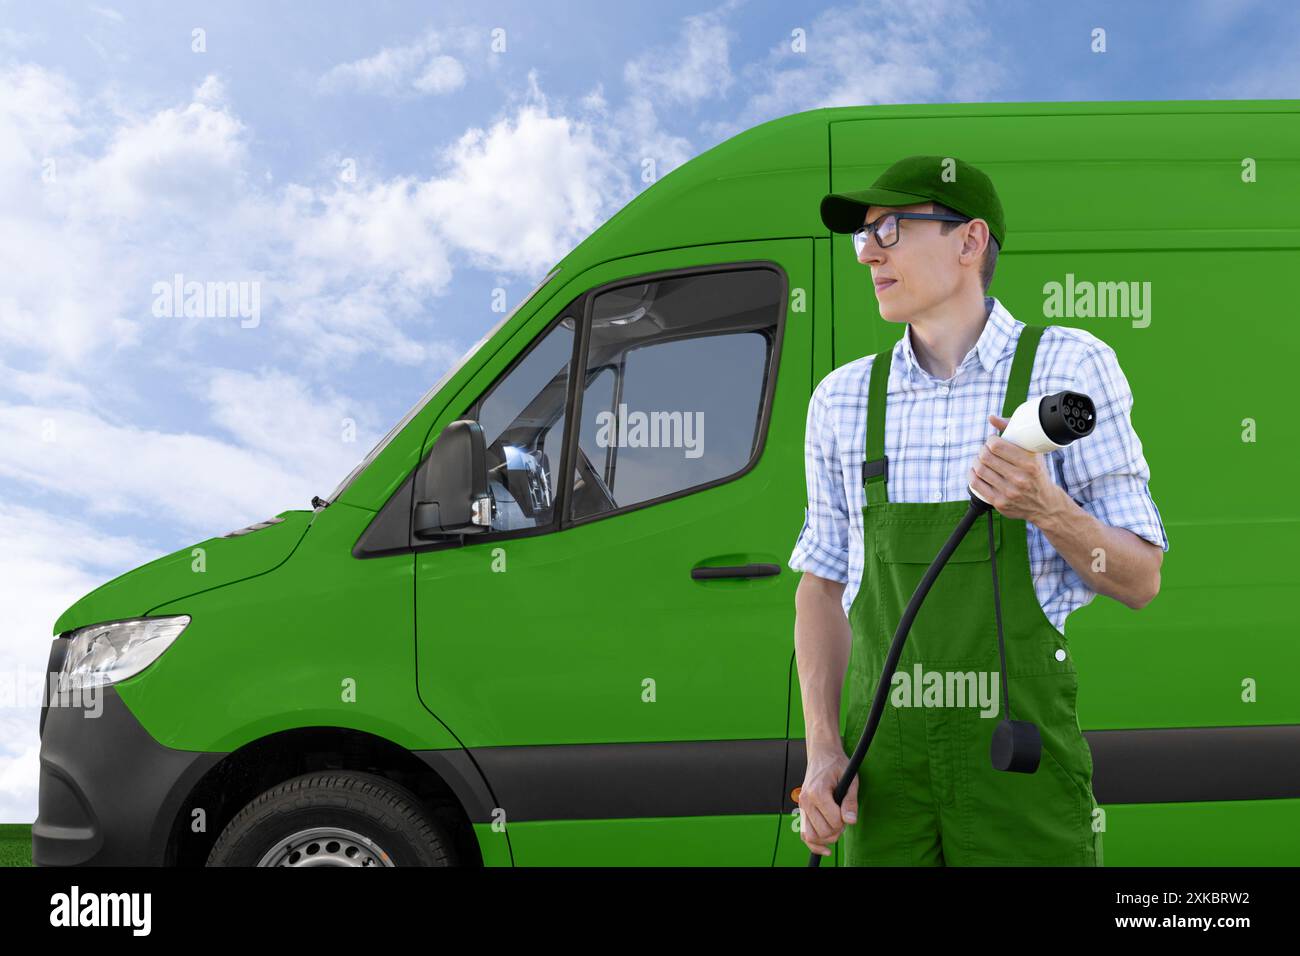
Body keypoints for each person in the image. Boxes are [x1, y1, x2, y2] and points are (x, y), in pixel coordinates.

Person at [789, 154, 1169, 866]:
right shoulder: (842, 401)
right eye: (863, 237)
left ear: (970, 242)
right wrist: (823, 752)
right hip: (884, 774)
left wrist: (1046, 508)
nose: (868, 252)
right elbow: (822, 585)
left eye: (892, 229)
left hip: (1017, 764)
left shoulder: (1069, 367)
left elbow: (1140, 578)